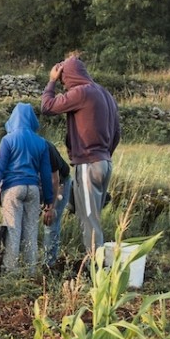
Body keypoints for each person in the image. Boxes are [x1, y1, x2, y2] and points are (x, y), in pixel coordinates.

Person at [40, 54, 120, 255]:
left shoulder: (81, 92)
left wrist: (51, 81)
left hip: (88, 163)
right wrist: (104, 154)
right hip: (105, 162)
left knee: (89, 221)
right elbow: (117, 133)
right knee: (87, 211)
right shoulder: (105, 94)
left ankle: (97, 269)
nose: (64, 84)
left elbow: (47, 107)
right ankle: (74, 203)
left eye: (63, 79)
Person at [0, 103, 55, 274]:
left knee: (13, 231)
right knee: (31, 232)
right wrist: (49, 200)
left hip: (13, 189)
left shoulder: (8, 140)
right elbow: (46, 173)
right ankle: (31, 272)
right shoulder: (41, 143)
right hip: (33, 190)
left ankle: (10, 274)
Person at [41, 138, 71, 268]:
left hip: (60, 184)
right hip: (39, 183)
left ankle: (49, 264)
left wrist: (50, 207)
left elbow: (55, 180)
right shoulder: (18, 144)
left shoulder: (47, 147)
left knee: (50, 223)